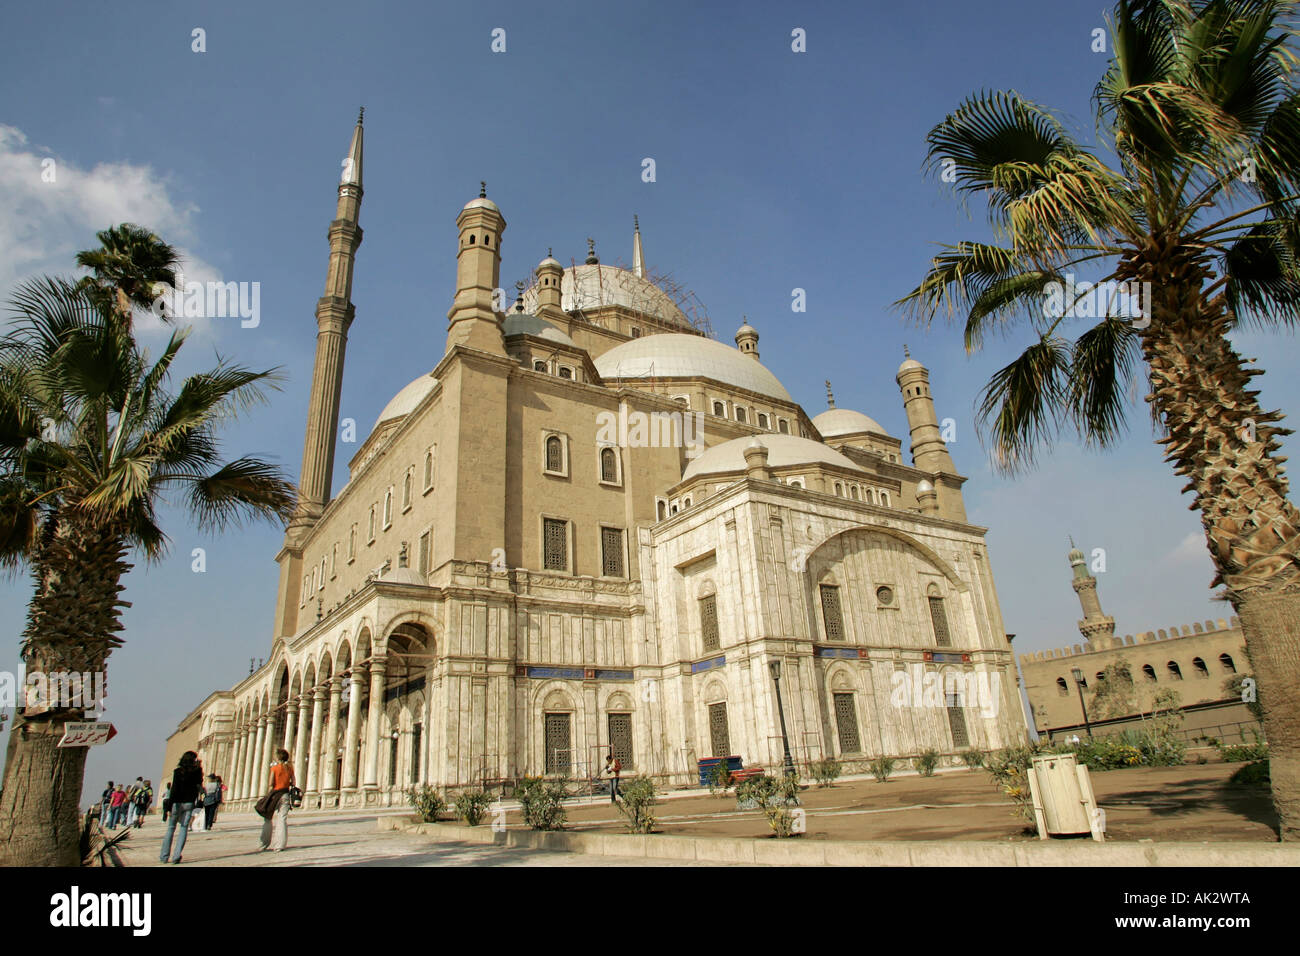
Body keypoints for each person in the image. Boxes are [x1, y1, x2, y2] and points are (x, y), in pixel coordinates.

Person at [160, 751, 203, 864]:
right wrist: (199, 767)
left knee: (171, 828)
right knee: (184, 828)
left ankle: (164, 856)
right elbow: (200, 784)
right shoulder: (196, 772)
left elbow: (174, 790)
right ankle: (176, 855)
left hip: (176, 803)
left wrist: (168, 808)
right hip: (189, 803)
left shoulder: (178, 772)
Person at [259, 748, 294, 852]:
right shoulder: (290, 769)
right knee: (282, 819)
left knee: (267, 818)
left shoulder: (274, 768)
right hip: (285, 795)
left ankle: (264, 844)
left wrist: (268, 796)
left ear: (278, 757)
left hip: (275, 795)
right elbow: (294, 782)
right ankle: (280, 845)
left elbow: (271, 784)